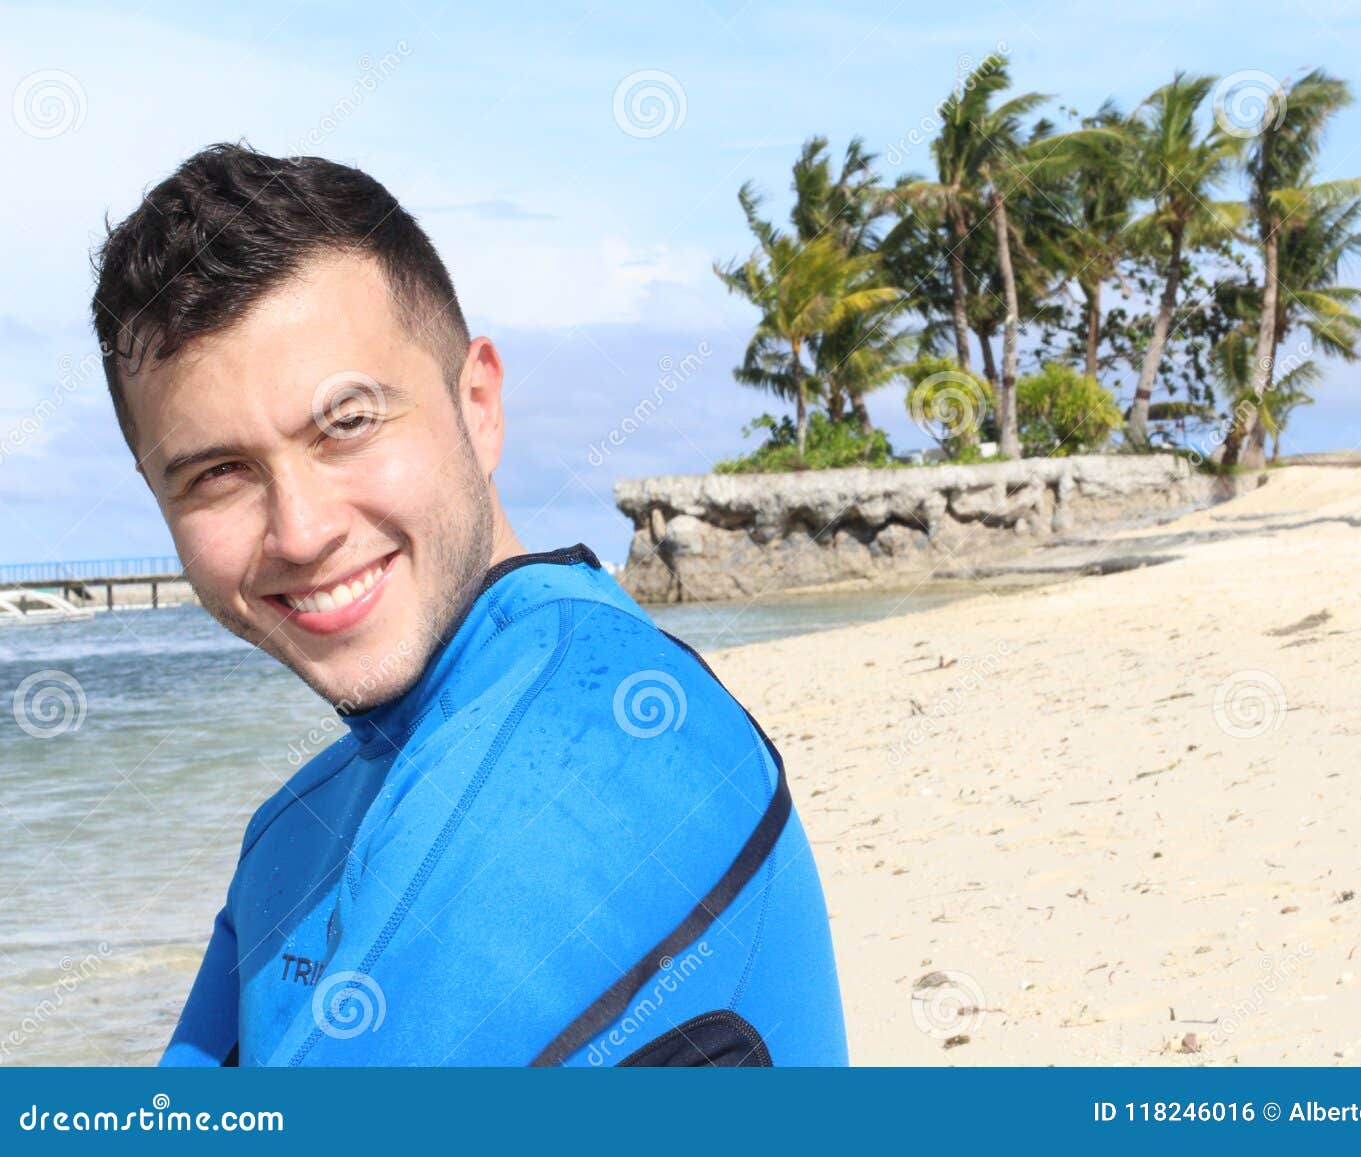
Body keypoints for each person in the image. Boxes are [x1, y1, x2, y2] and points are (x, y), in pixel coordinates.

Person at [90, 142, 848, 1067]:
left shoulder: (610, 737)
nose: (299, 531)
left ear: (478, 404)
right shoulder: (287, 836)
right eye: (218, 473)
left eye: (348, 423)